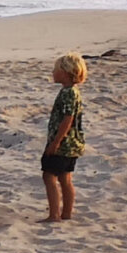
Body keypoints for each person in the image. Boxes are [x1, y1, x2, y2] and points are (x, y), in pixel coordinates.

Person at [42, 54, 86, 221]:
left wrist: (55, 143)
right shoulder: (73, 92)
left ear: (66, 72)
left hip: (64, 143)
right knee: (65, 177)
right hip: (73, 144)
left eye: (56, 70)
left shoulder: (68, 93)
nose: (53, 73)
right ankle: (66, 213)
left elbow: (68, 119)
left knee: (49, 176)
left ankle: (54, 214)